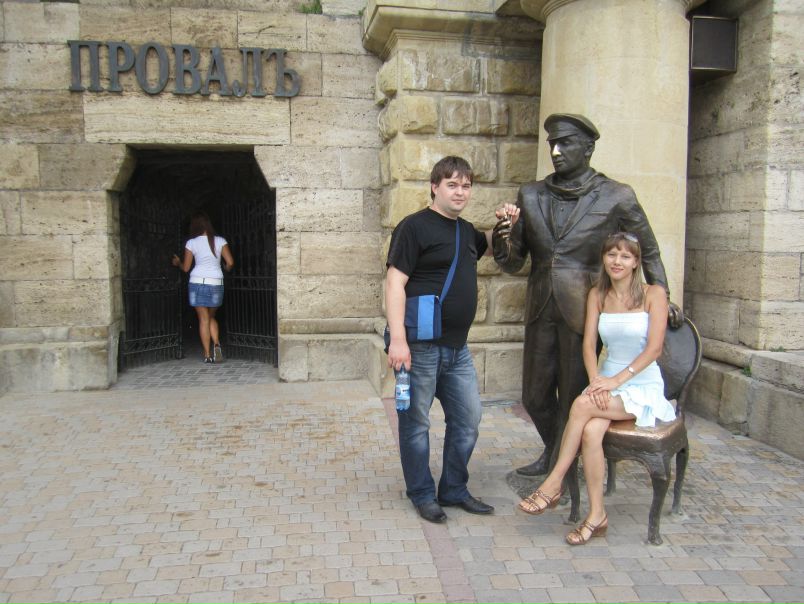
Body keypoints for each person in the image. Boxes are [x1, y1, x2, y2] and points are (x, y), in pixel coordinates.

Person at [493, 113, 675, 478]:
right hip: (541, 305)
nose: (556, 152)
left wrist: (663, 298)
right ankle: (557, 451)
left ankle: (560, 469)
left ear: (588, 148)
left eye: (565, 144)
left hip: (585, 307)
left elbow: (649, 250)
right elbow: (514, 262)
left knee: (574, 394)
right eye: (552, 145)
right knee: (534, 396)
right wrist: (502, 238)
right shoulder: (531, 194)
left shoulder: (617, 195)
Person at [517, 232, 673, 544]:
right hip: (606, 382)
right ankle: (597, 516)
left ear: (636, 262)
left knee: (580, 405)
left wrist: (615, 381)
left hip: (640, 384)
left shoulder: (653, 294)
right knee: (590, 432)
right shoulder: (598, 294)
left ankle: (554, 482)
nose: (617, 261)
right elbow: (589, 345)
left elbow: (654, 349)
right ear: (604, 258)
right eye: (612, 254)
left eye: (625, 256)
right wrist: (595, 381)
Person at [386, 156, 516, 523]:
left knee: (469, 419)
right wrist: (398, 340)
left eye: (466, 186)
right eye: (452, 185)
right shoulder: (413, 227)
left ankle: (454, 488)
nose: (460, 192)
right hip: (419, 347)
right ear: (435, 187)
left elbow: (491, 245)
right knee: (416, 424)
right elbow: (394, 283)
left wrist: (506, 221)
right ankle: (422, 493)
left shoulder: (465, 231)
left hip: (457, 349)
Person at [172, 212, 234, 363]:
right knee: (211, 317)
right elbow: (230, 262)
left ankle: (207, 355)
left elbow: (186, 268)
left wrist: (178, 263)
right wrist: (226, 268)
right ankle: (217, 344)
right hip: (216, 283)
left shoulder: (192, 243)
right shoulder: (220, 241)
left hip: (197, 283)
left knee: (203, 319)